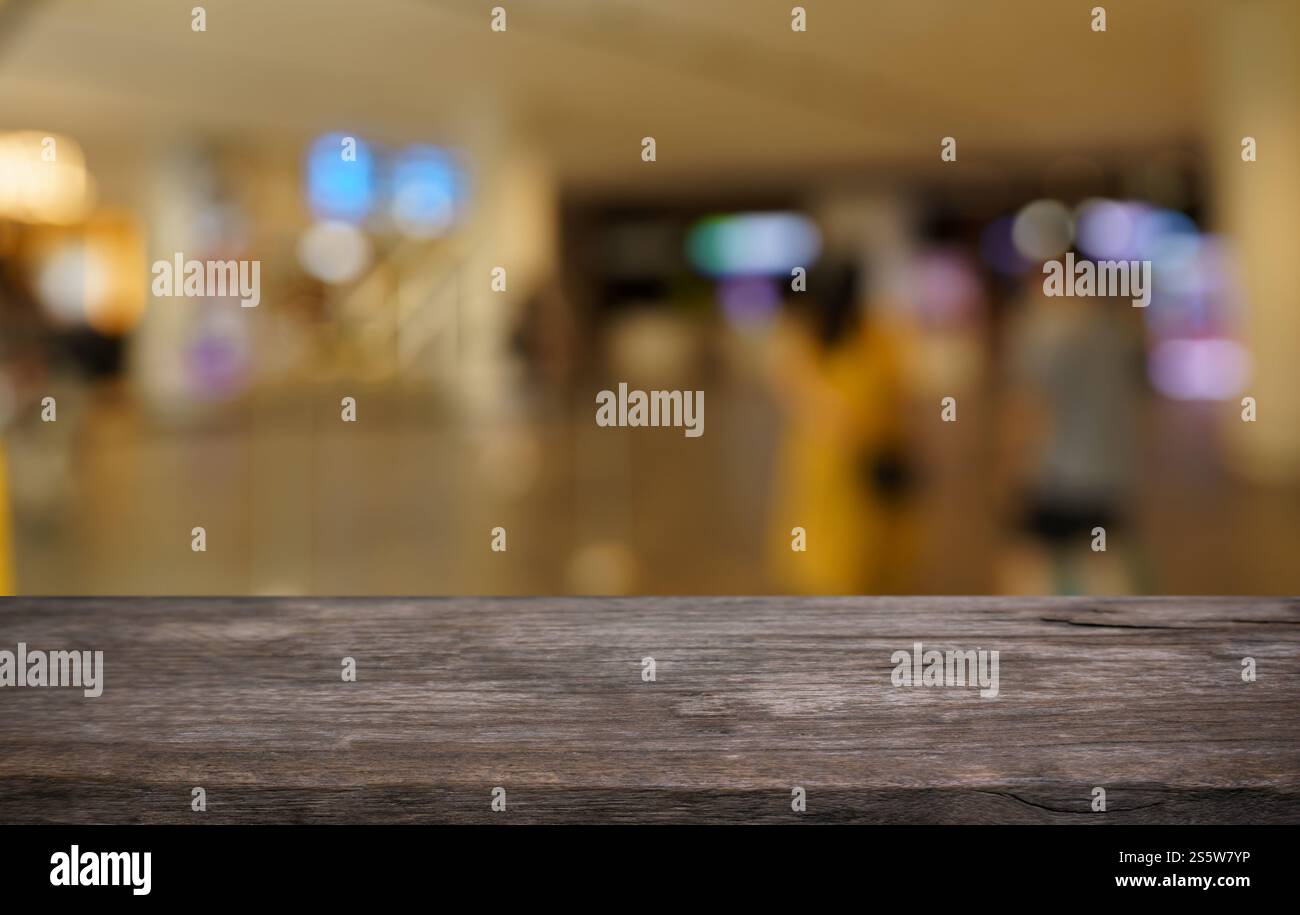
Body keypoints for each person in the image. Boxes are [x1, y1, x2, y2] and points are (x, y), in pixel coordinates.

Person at [764, 260, 917, 594]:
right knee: (832, 561)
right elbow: (796, 390)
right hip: (832, 470)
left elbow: (895, 398)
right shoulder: (809, 340)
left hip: (867, 465)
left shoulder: (874, 336)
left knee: (870, 557)